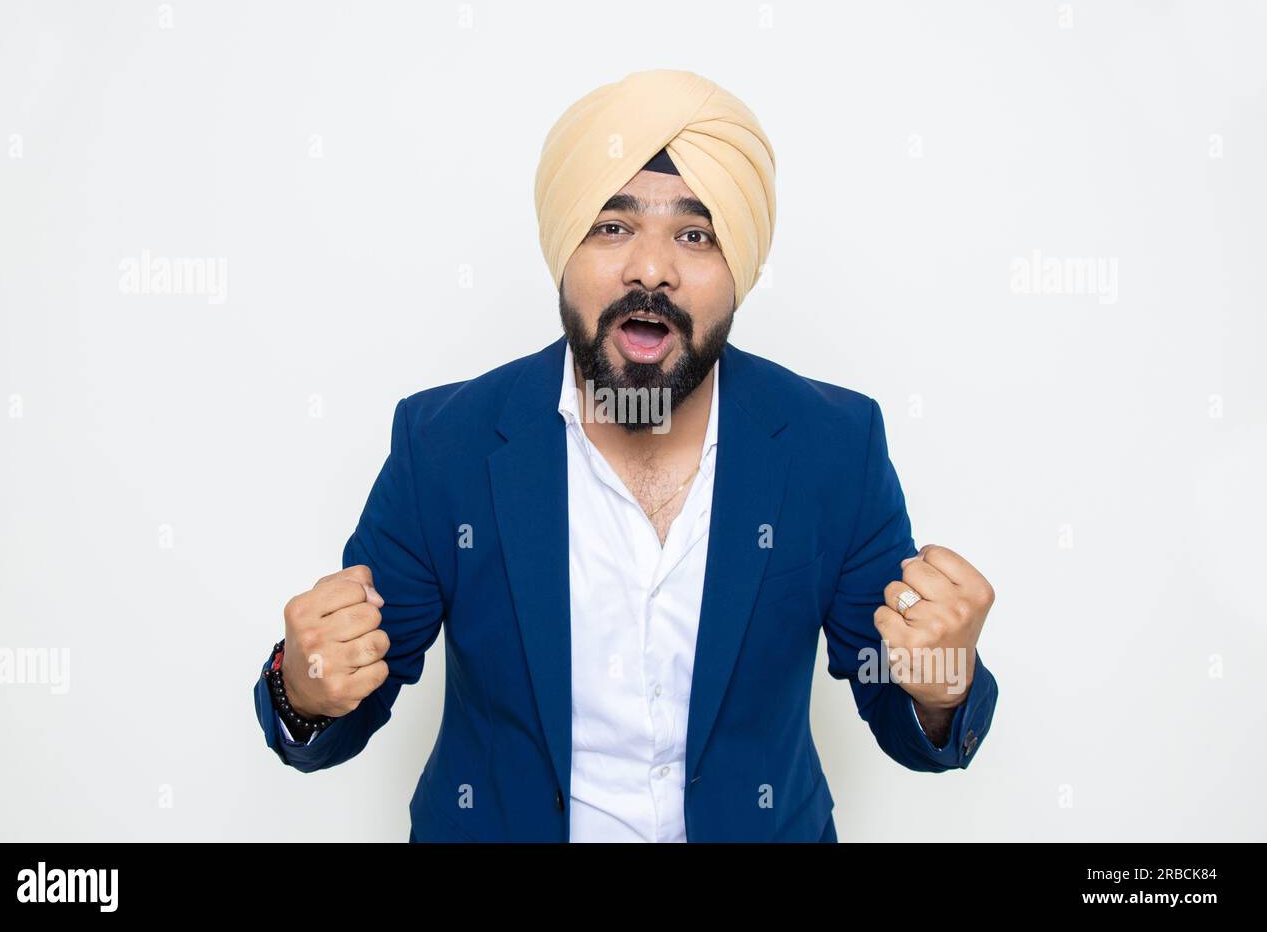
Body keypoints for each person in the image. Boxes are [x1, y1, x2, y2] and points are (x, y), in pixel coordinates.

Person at [253, 69, 999, 843]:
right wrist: (300, 688)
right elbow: (339, 705)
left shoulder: (834, 444)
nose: (650, 269)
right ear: (563, 251)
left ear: (738, 264)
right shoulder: (445, 442)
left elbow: (903, 712)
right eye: (612, 228)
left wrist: (941, 683)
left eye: (695, 234)